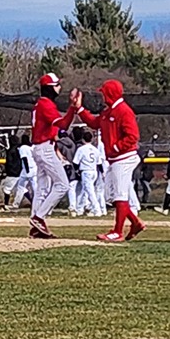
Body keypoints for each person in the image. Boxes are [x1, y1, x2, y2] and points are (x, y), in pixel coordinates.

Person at [71, 80, 145, 242]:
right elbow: (94, 123)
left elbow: (133, 136)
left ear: (110, 93)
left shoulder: (124, 111)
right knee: (111, 195)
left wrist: (116, 148)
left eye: (104, 93)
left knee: (120, 195)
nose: (102, 96)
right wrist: (79, 108)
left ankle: (117, 231)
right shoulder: (108, 111)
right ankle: (135, 223)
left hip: (124, 158)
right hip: (114, 159)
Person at [26, 73, 78, 237]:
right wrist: (72, 108)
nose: (59, 88)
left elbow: (57, 129)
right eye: (56, 85)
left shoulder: (40, 104)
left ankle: (36, 226)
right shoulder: (46, 104)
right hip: (44, 148)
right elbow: (62, 124)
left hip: (40, 147)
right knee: (63, 185)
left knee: (42, 189)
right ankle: (39, 217)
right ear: (49, 88)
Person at [71, 128, 106, 216]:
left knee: (90, 191)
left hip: (86, 171)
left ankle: (96, 209)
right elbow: (99, 163)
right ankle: (80, 209)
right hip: (94, 171)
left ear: (83, 139)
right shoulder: (95, 149)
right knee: (85, 190)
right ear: (91, 139)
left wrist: (76, 171)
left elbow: (75, 162)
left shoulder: (81, 149)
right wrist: (102, 172)